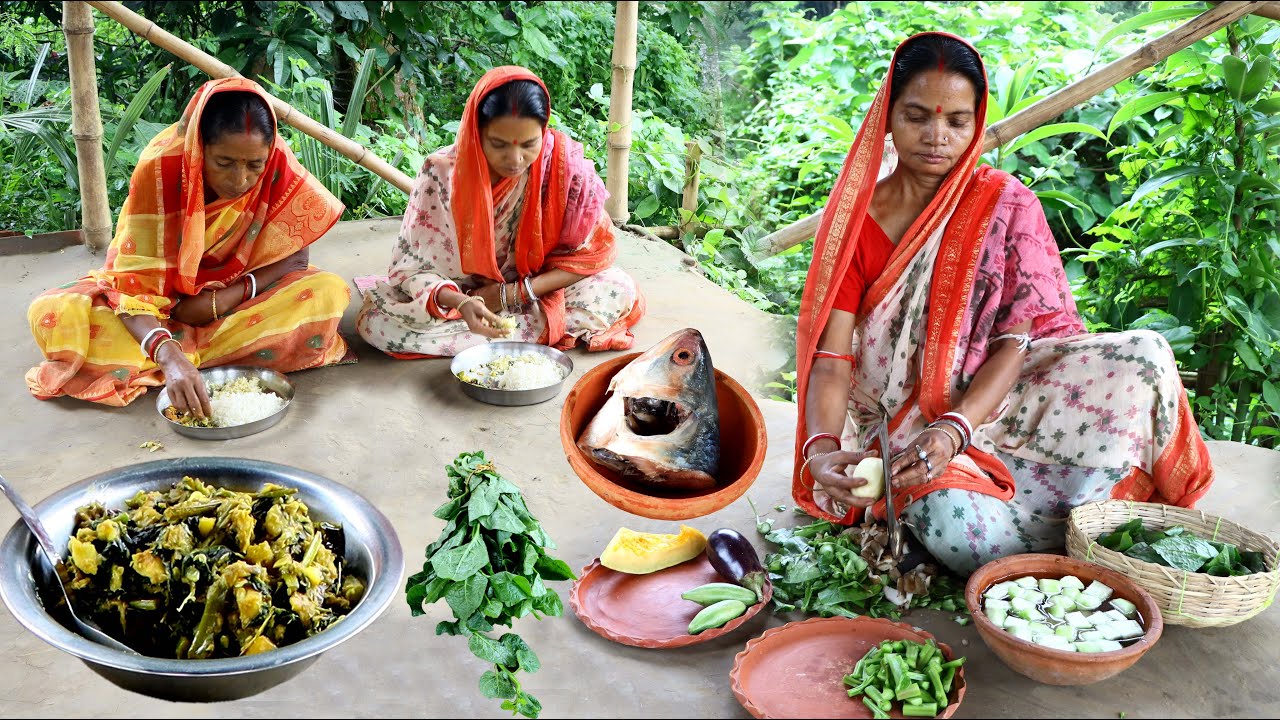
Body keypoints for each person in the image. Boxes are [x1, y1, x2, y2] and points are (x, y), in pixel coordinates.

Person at [791, 32, 1214, 575]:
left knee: (1146, 354)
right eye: (917, 116)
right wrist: (822, 450)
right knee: (961, 535)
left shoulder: (1005, 203)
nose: (936, 137)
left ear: (975, 122)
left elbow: (1018, 339)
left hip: (1000, 395)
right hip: (903, 425)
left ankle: (1090, 514)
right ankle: (1041, 526)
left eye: (956, 122)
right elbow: (832, 360)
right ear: (887, 118)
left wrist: (955, 428)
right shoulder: (854, 219)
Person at [26, 77, 351, 417]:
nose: (240, 180)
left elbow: (297, 256)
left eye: (254, 166)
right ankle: (181, 355)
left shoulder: (274, 160)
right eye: (224, 163)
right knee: (52, 314)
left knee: (326, 292)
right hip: (156, 303)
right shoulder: (162, 167)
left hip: (236, 298)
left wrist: (226, 297)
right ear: (200, 147)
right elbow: (133, 288)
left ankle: (176, 356)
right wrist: (168, 353)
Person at [355, 66, 644, 358]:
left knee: (616, 287)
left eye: (530, 144)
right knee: (378, 325)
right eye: (499, 145)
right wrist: (462, 303)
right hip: (463, 295)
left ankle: (503, 332)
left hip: (532, 289)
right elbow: (411, 268)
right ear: (476, 132)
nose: (516, 160)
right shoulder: (441, 174)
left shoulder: (563, 169)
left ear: (543, 132)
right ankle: (517, 332)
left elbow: (590, 256)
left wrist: (509, 295)